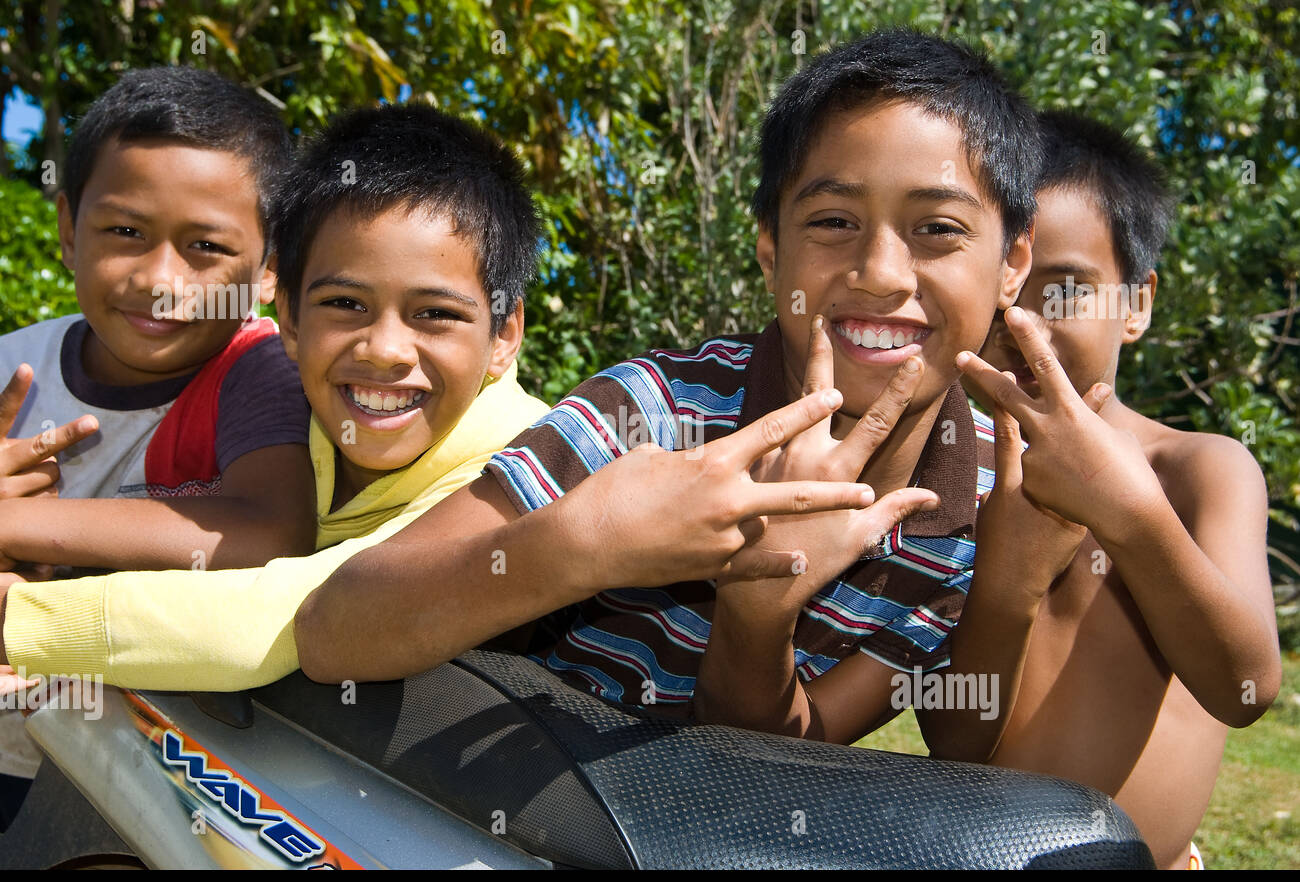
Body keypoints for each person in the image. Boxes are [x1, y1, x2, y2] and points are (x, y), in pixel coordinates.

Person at [296, 29, 1046, 746]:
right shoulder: (653, 416)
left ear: (1012, 262)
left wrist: (757, 611)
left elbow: (778, 756)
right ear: (769, 252)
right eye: (833, 221)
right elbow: (338, 628)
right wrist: (591, 543)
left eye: (938, 229)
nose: (880, 273)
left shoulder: (988, 513)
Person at [0, 104, 548, 699]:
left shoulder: (523, 466)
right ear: (287, 316)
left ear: (504, 334)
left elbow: (282, 615)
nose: (385, 349)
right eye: (344, 303)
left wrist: (19, 617)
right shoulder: (306, 420)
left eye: (436, 314)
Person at [946, 111, 1280, 869]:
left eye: (1064, 292)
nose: (1026, 322)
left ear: (1137, 304)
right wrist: (1009, 584)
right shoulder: (952, 476)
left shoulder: (1199, 470)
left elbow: (1248, 688)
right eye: (1005, 289)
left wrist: (1129, 515)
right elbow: (957, 737)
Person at [0, 67, 314, 826]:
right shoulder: (16, 361)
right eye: (125, 232)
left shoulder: (258, 372)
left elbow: (272, 530)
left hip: (110, 779)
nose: (161, 280)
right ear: (70, 228)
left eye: (205, 246)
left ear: (268, 270)